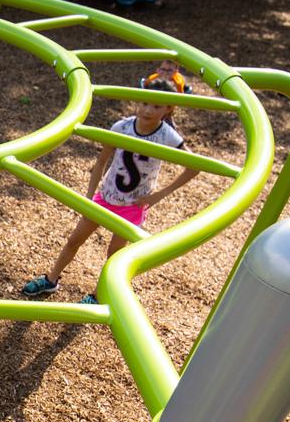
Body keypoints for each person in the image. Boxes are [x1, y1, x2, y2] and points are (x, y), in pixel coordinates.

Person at [18, 80, 201, 305]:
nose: (147, 110)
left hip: (132, 206)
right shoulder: (122, 127)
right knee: (74, 240)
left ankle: (96, 295)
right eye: (144, 103)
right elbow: (101, 161)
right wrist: (88, 195)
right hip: (105, 196)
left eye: (156, 106)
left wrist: (159, 195)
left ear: (168, 109)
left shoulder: (167, 136)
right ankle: (51, 279)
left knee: (114, 255)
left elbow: (195, 166)